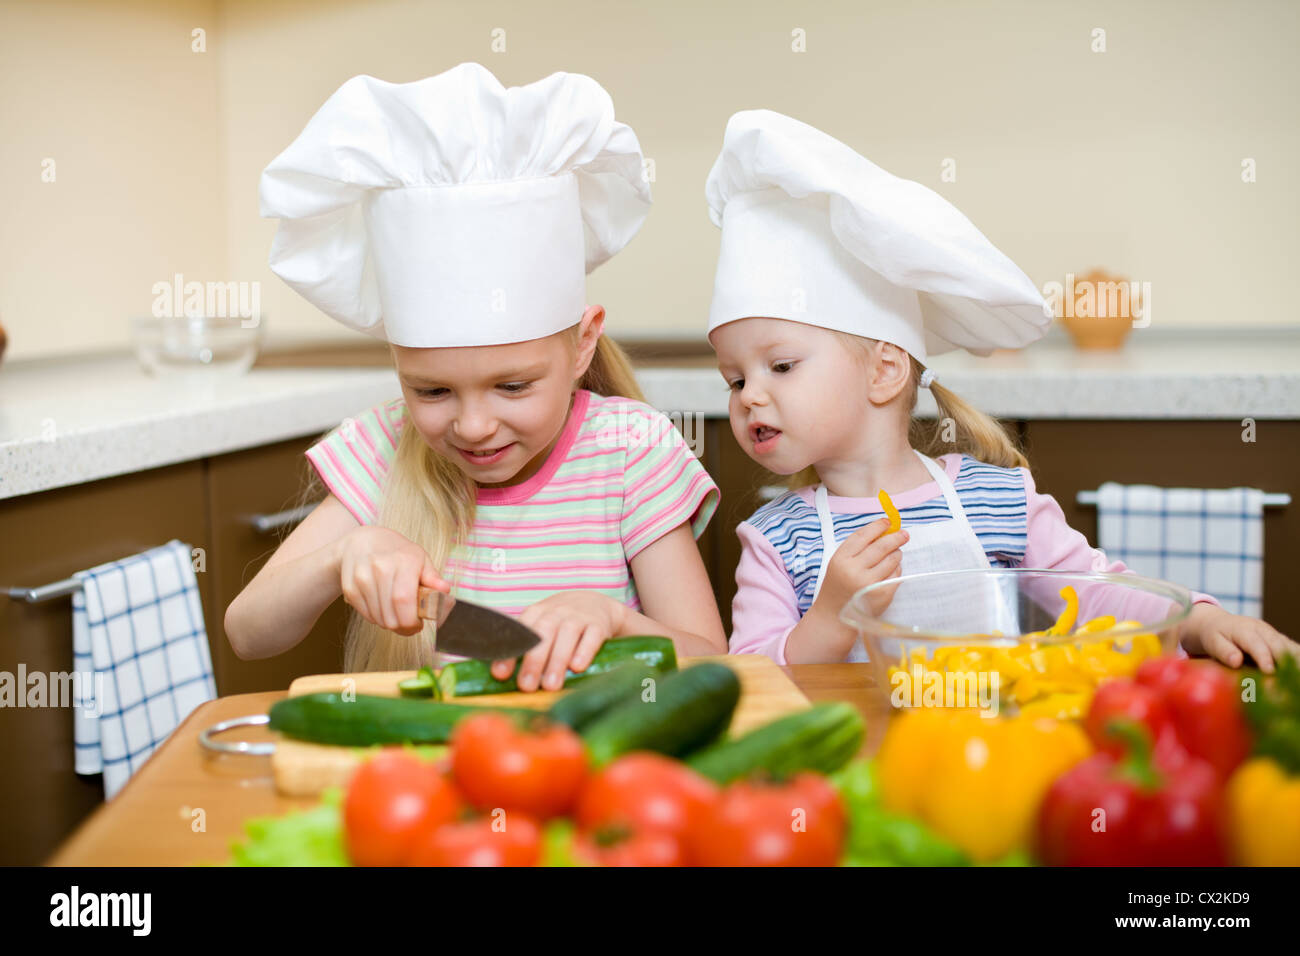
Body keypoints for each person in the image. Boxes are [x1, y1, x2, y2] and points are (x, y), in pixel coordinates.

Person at [706, 109, 1296, 671]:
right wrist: (830, 618)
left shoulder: (1001, 500)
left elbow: (1096, 597)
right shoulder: (775, 540)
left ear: (884, 371)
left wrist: (1194, 622)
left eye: (780, 366)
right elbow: (753, 678)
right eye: (735, 379)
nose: (748, 396)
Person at [225, 64, 725, 689]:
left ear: (582, 344)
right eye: (431, 390)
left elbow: (715, 659)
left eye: (512, 386)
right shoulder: (384, 450)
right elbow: (247, 632)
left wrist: (616, 622)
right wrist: (340, 559)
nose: (473, 426)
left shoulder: (631, 451)